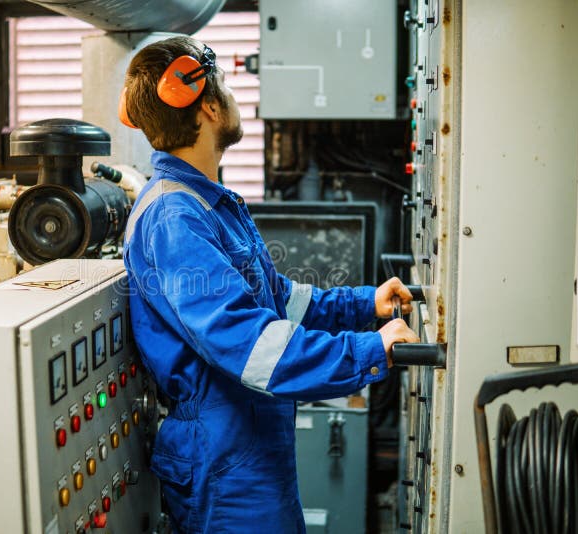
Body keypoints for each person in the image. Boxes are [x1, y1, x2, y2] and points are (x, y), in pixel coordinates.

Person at [120, 36, 419, 533]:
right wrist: (367, 351)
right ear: (210, 106)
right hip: (224, 460)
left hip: (247, 444)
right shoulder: (176, 217)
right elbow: (250, 344)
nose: (237, 100)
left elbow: (281, 302)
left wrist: (367, 304)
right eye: (229, 89)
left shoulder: (207, 204)